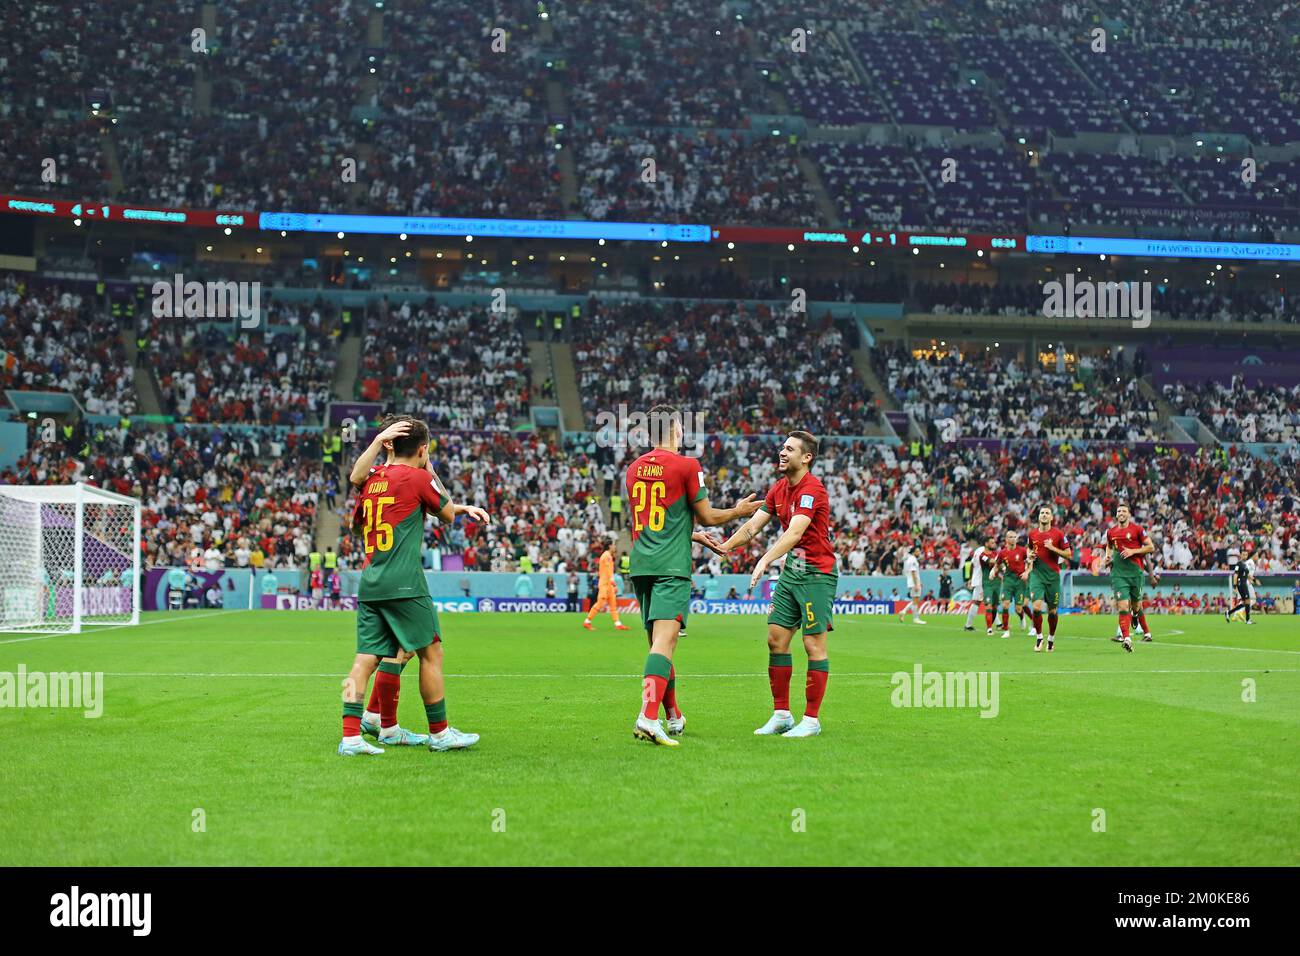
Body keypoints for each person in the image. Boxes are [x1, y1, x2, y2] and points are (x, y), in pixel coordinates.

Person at [338, 417, 491, 756]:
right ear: (423, 449)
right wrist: (429, 471)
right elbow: (447, 513)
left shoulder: (372, 480)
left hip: (372, 580)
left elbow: (355, 524)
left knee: (367, 658)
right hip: (405, 583)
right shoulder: (421, 477)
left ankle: (353, 736)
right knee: (431, 653)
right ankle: (440, 733)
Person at [626, 405, 759, 746]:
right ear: (675, 430)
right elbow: (708, 517)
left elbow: (655, 521)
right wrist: (739, 511)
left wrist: (688, 533)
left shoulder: (634, 469)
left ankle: (672, 715)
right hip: (671, 566)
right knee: (664, 643)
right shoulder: (687, 465)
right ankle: (648, 716)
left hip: (641, 564)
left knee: (660, 645)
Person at [698, 431, 835, 739]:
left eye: (790, 449)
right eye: (782, 447)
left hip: (816, 574)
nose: (782, 452)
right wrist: (725, 546)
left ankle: (811, 720)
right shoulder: (779, 488)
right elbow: (751, 527)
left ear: (807, 457)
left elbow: (795, 533)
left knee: (813, 645)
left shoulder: (813, 489)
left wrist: (765, 560)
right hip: (791, 574)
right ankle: (782, 714)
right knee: (776, 640)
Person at [1097, 502, 1153, 653]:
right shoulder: (1111, 532)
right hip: (1118, 574)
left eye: (1124, 511)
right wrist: (1107, 558)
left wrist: (1133, 551)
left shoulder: (1138, 530)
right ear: (1116, 515)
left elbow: (1150, 547)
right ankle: (1127, 638)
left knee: (1136, 606)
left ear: (1128, 514)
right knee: (1122, 606)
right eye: (1119, 511)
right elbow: (1109, 546)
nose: (1121, 513)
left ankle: (1136, 618)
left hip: (1135, 573)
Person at [1026, 505, 1072, 652]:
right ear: (1039, 517)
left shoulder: (1058, 534)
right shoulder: (1032, 534)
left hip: (1053, 577)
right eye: (1042, 513)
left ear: (1052, 517)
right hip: (1037, 575)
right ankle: (1039, 637)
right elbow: (1029, 548)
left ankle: (1051, 639)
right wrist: (1029, 555)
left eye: (1047, 513)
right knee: (1036, 607)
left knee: (1052, 612)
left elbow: (1068, 554)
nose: (1044, 515)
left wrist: (1053, 548)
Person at [583, 540, 629, 631]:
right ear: (609, 546)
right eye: (614, 545)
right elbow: (608, 570)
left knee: (613, 605)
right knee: (600, 603)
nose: (615, 547)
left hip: (608, 584)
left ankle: (618, 623)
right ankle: (587, 621)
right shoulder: (606, 555)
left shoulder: (608, 555)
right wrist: (612, 581)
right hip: (605, 583)